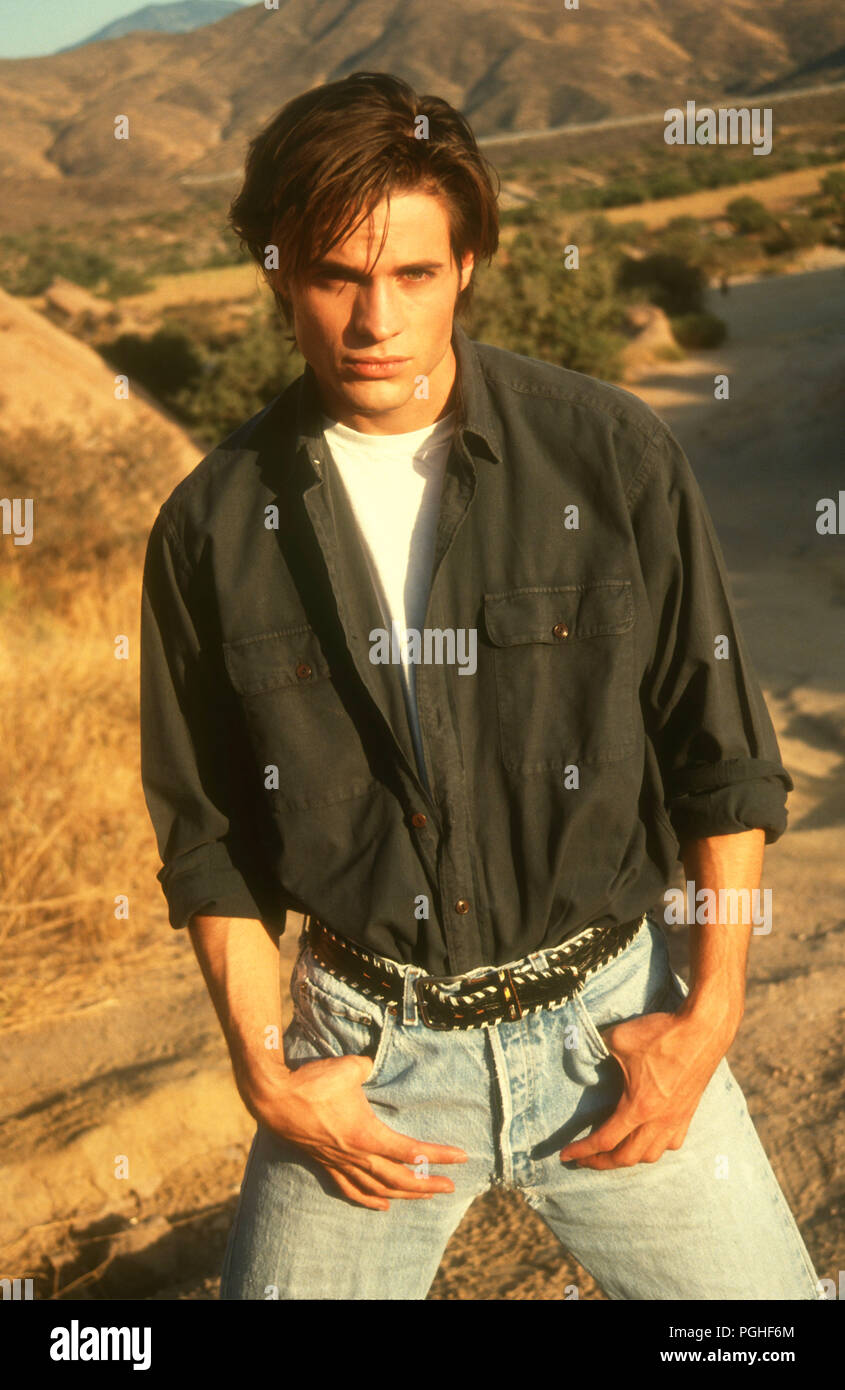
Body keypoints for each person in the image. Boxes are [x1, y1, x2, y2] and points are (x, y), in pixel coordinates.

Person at [139, 71, 820, 1300]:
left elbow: (718, 755)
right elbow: (209, 836)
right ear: (277, 272)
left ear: (466, 267)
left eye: (409, 275)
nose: (373, 321)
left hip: (611, 1038)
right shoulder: (210, 528)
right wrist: (266, 1071)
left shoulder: (609, 456)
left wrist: (707, 1016)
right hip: (364, 1067)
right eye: (336, 277)